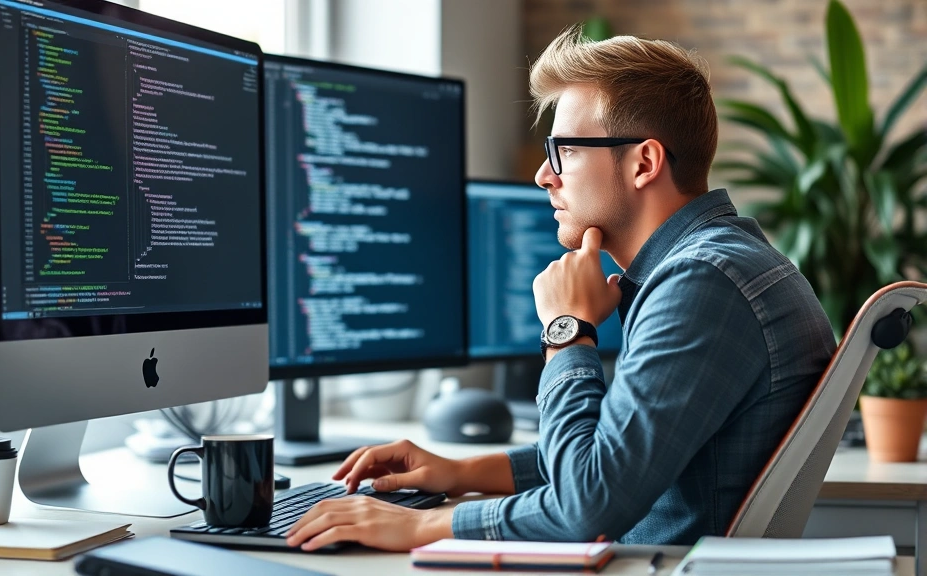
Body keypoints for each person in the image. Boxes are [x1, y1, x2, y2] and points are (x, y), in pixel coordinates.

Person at [284, 27, 836, 552]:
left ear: (644, 162)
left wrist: (567, 332)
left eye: (564, 152)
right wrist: (464, 472)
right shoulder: (719, 262)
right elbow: (612, 457)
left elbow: (588, 505)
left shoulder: (702, 282)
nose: (543, 177)